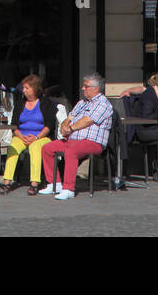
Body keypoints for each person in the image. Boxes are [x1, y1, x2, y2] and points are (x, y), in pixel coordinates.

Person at [40, 72, 113, 201]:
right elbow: (69, 117)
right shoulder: (82, 103)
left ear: (96, 88)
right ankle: (54, 184)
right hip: (73, 139)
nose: (83, 88)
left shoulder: (103, 103)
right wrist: (64, 126)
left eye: (86, 86)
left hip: (92, 142)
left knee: (71, 151)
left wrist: (71, 128)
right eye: (83, 86)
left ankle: (69, 189)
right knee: (47, 148)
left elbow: (87, 120)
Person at [3, 74, 57, 194]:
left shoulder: (46, 103)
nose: (24, 90)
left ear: (35, 89)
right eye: (24, 88)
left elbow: (49, 125)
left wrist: (37, 137)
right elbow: (14, 125)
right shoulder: (20, 103)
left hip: (41, 137)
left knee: (35, 147)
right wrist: (20, 136)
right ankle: (7, 181)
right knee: (13, 146)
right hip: (22, 136)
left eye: (27, 88)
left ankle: (34, 183)